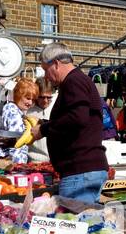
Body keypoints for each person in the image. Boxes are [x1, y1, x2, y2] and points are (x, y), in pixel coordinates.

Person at [31, 44, 108, 203]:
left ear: (56, 64)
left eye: (46, 70)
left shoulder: (73, 82)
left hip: (79, 171)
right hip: (84, 170)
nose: (46, 76)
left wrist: (44, 129)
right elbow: (77, 119)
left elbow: (77, 117)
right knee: (85, 222)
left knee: (75, 224)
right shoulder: (79, 80)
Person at [0, 78, 38, 164]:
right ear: (18, 95)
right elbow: (15, 139)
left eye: (33, 100)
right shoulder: (13, 110)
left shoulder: (13, 109)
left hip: (5, 159)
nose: (31, 103)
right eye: (28, 98)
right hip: (10, 162)